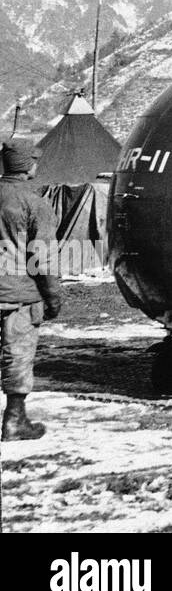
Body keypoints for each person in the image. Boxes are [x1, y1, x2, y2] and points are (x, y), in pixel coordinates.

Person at [0, 138, 62, 441]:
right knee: (17, 353)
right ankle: (14, 420)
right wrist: (53, 296)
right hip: (18, 293)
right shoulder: (34, 202)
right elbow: (42, 257)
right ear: (28, 166)